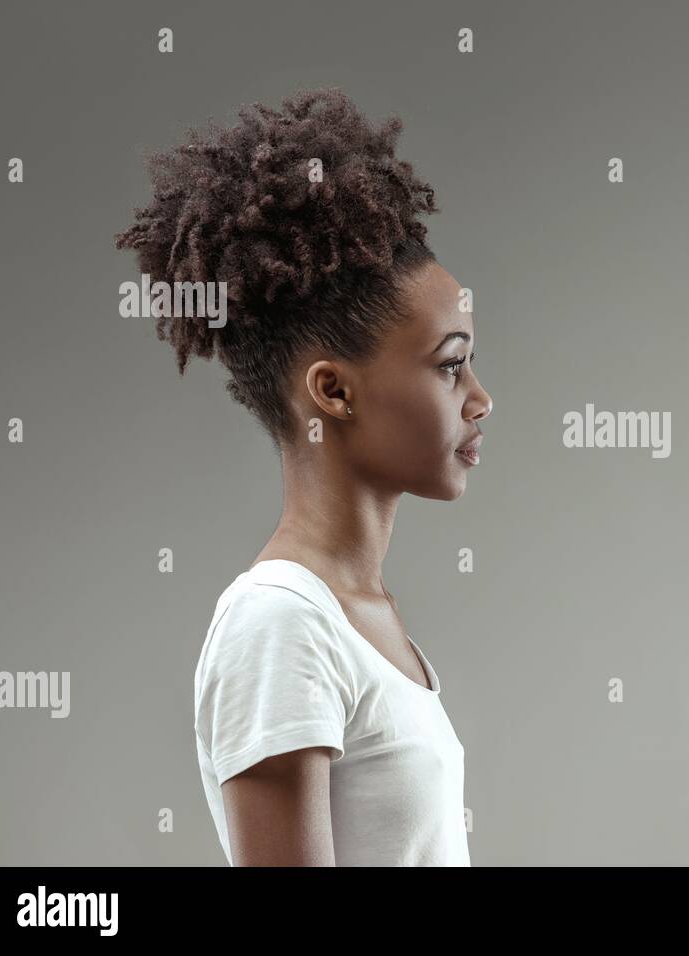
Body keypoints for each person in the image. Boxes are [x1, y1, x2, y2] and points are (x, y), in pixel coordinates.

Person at [114, 88, 491, 865]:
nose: (481, 400)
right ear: (333, 392)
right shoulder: (281, 624)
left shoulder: (368, 619)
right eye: (451, 366)